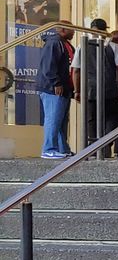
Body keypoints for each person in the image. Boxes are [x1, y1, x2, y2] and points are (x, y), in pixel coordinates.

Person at [72, 18, 118, 156]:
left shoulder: (82, 46)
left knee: (91, 120)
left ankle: (92, 150)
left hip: (90, 89)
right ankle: (105, 147)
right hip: (109, 89)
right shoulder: (113, 46)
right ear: (105, 30)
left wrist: (77, 90)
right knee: (111, 119)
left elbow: (76, 70)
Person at [35, 22, 75, 158]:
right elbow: (48, 66)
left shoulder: (66, 44)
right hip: (53, 88)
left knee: (61, 119)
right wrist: (56, 83)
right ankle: (48, 148)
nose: (74, 32)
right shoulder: (54, 43)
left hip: (64, 88)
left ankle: (62, 148)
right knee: (53, 118)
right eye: (72, 29)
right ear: (63, 30)